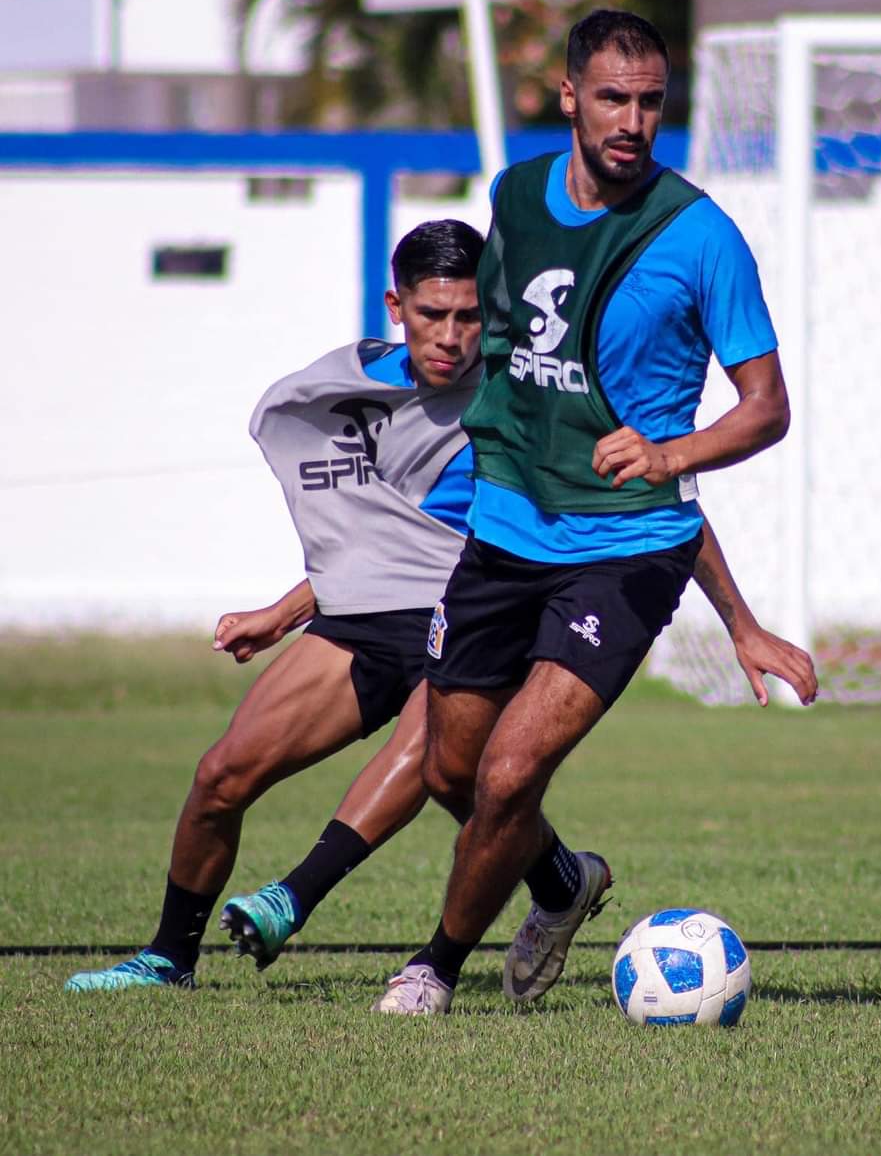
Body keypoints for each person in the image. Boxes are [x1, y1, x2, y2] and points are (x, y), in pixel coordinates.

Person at [64, 215, 813, 993]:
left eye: (469, 317)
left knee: (437, 761)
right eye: (433, 315)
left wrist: (741, 624)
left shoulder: (531, 395)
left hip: (480, 610)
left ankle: (296, 894)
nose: (452, 336)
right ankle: (167, 959)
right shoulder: (357, 388)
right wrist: (282, 613)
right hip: (362, 617)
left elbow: (655, 507)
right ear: (397, 306)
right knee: (222, 774)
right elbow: (374, 538)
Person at [376, 9, 805, 1017]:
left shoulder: (701, 236)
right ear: (568, 94)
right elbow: (502, 355)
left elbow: (767, 408)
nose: (634, 120)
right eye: (614, 97)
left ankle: (433, 965)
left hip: (626, 549)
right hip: (507, 529)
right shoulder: (515, 197)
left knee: (513, 770)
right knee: (454, 769)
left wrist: (672, 453)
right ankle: (563, 884)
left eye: (652, 101)